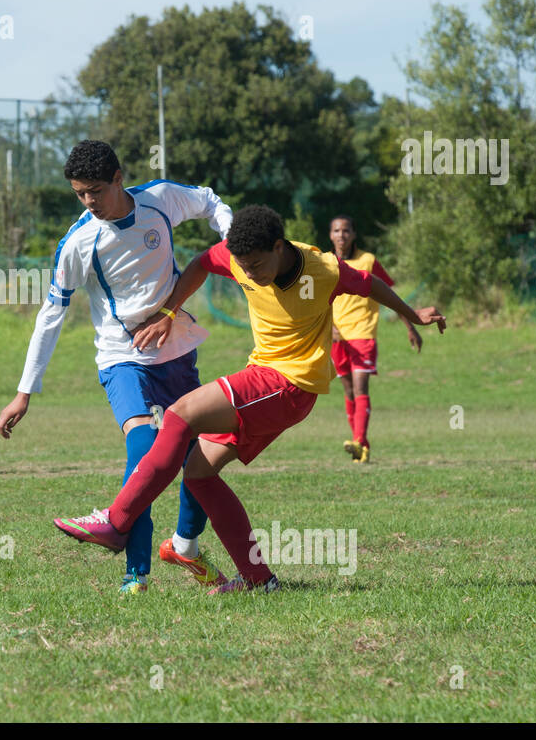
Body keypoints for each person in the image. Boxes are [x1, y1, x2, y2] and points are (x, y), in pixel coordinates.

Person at [53, 205, 446, 592]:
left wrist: (412, 314)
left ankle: (117, 522)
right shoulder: (239, 256)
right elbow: (203, 263)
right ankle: (259, 579)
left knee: (179, 415)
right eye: (244, 267)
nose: (250, 274)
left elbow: (367, 283)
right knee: (199, 474)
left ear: (279, 247)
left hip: (290, 384)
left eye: (257, 265)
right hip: (265, 378)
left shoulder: (321, 270)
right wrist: (170, 312)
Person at [0, 140, 235, 595]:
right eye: (80, 193)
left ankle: (184, 546)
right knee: (144, 447)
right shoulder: (79, 241)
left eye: (96, 191)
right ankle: (136, 574)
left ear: (119, 178)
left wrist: (230, 238)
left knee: (200, 463)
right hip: (122, 358)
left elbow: (209, 201)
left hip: (176, 351)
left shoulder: (160, 201)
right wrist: (25, 390)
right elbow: (52, 314)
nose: (89, 202)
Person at [328, 215, 421, 463]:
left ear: (354, 234)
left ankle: (358, 441)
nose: (341, 235)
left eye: (346, 230)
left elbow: (389, 294)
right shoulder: (325, 264)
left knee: (360, 387)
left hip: (363, 335)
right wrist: (327, 328)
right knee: (347, 390)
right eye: (336, 231)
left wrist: (410, 327)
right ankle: (362, 444)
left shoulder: (367, 261)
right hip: (337, 339)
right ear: (330, 235)